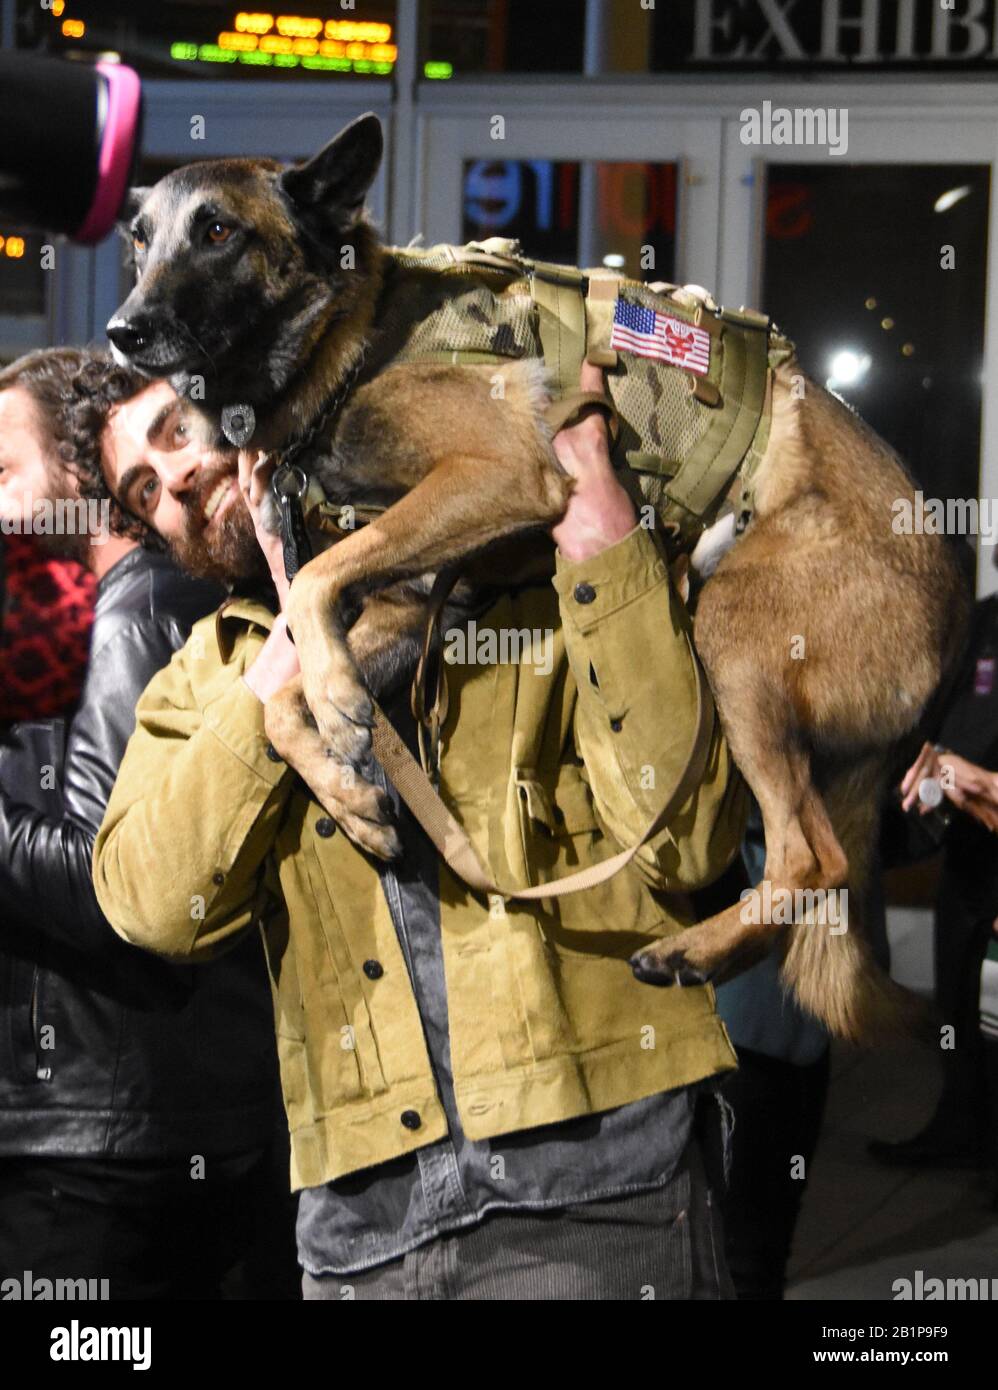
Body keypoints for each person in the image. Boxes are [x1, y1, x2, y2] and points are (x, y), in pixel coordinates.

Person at [91, 356, 750, 1301]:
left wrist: (604, 542)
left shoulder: (520, 579)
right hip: (366, 1241)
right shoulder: (206, 679)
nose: (178, 481)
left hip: (598, 1194)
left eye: (176, 431)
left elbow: (692, 840)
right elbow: (153, 908)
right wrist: (285, 662)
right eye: (144, 489)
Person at [0, 348, 296, 1299]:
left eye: (5, 472)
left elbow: (106, 880)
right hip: (118, 1126)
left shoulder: (138, 611)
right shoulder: (91, 615)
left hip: (112, 1147)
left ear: (79, 480)